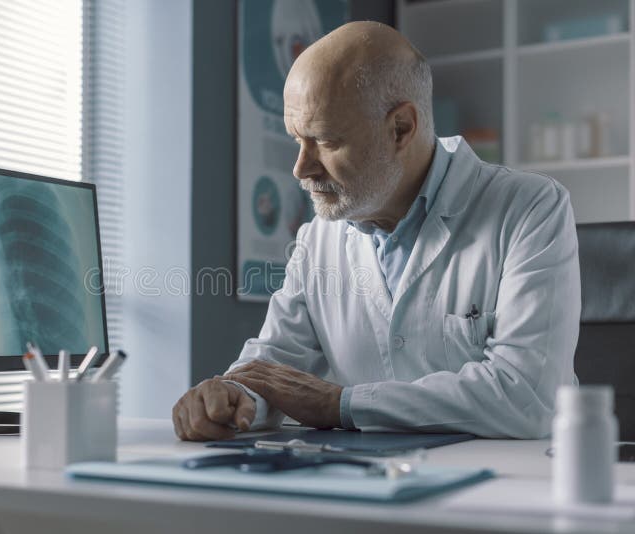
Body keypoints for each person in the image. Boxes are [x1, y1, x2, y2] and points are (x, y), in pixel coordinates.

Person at [172, 21, 580, 441]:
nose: (300, 168)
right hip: (371, 487)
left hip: (500, 490)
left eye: (326, 141)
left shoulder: (530, 208)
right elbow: (277, 365)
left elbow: (528, 396)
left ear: (401, 128)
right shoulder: (318, 239)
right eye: (297, 140)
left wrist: (341, 404)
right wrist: (231, 395)